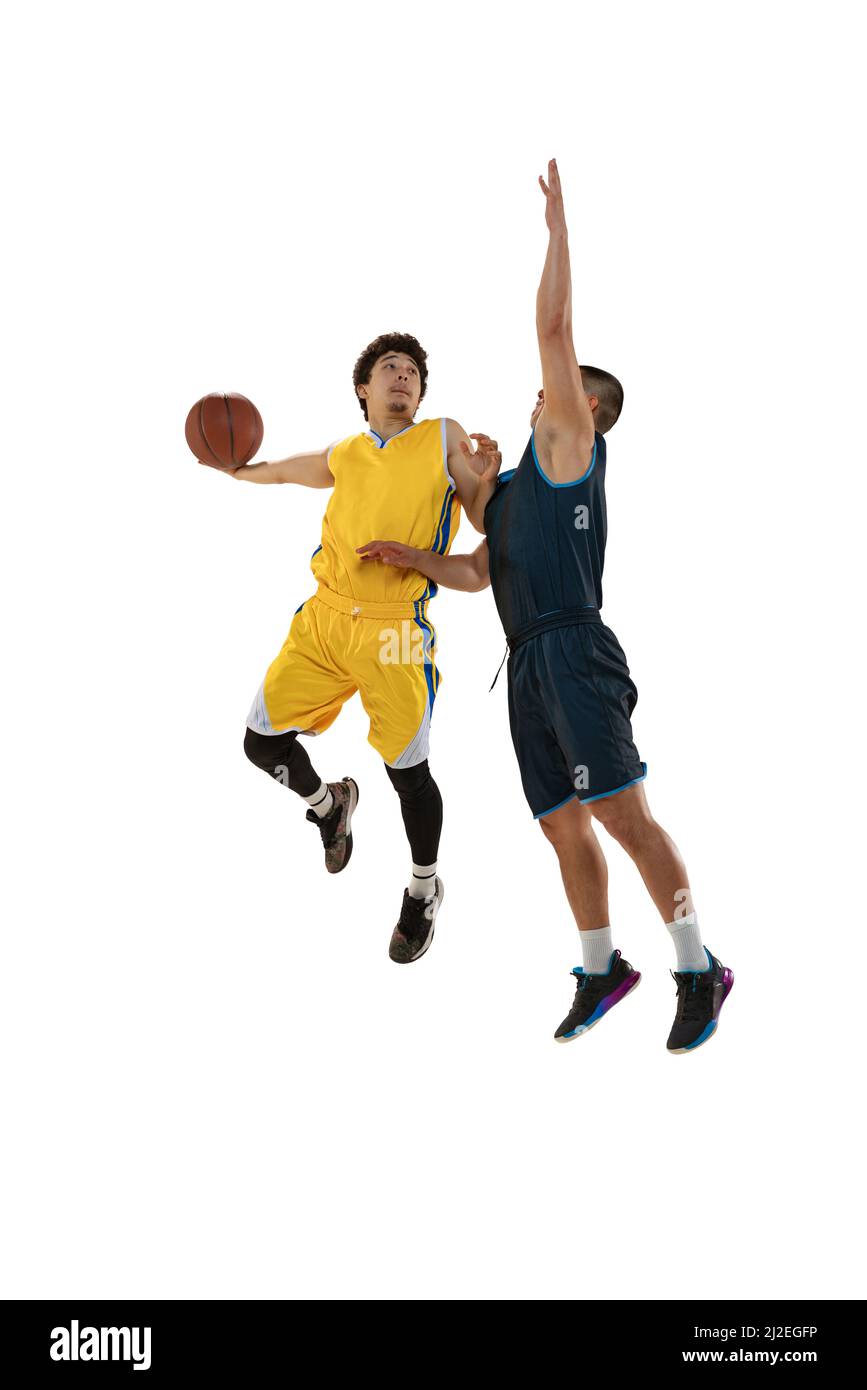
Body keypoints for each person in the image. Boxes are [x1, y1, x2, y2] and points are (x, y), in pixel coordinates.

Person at [359, 167, 733, 1051]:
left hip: (575, 651)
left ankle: (696, 965)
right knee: (564, 828)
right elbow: (480, 572)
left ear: (587, 409)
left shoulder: (570, 444)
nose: (541, 394)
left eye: (562, 390)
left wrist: (558, 229)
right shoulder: (518, 485)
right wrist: (419, 548)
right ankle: (603, 968)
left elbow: (553, 328)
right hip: (524, 661)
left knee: (624, 816)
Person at [200, 333, 500, 963]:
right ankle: (328, 804)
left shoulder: (443, 435)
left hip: (395, 631)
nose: (402, 377)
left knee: (408, 774)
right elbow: (284, 471)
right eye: (389, 368)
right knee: (261, 742)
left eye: (412, 371)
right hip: (326, 621)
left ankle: (424, 888)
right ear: (364, 389)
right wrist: (234, 466)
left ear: (420, 392)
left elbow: (480, 520)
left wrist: (486, 480)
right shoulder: (347, 451)